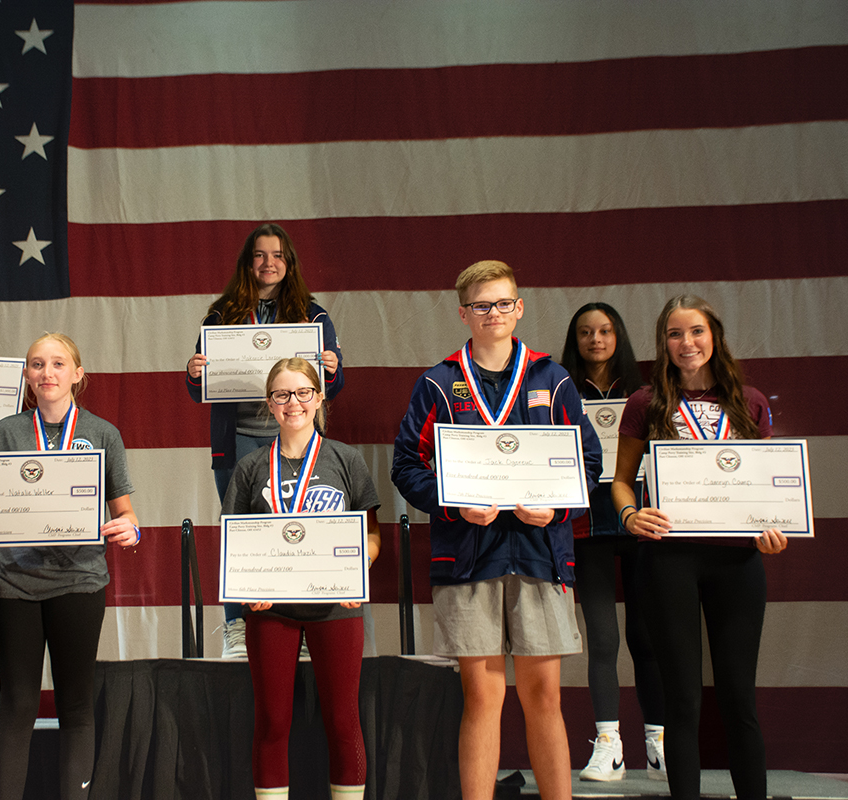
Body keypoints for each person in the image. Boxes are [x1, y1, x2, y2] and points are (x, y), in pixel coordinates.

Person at [391, 261, 600, 800]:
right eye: (482, 306)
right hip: (467, 560)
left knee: (544, 699)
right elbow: (406, 468)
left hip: (539, 555)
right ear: (463, 313)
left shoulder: (552, 379)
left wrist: (557, 510)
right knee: (481, 701)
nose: (493, 314)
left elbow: (588, 461)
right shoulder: (438, 383)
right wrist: (455, 507)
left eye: (503, 303)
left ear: (520, 307)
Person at [0, 333, 140, 800]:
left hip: (80, 582)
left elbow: (125, 512)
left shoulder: (103, 433)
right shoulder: (6, 432)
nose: (47, 372)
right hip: (13, 584)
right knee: (16, 706)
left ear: (77, 373)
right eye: (37, 364)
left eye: (57, 363)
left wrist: (131, 529)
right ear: (27, 376)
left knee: (75, 707)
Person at [612, 295, 788, 800]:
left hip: (738, 560)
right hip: (669, 559)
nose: (686, 343)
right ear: (662, 343)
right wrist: (630, 513)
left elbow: (765, 487)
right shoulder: (646, 403)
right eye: (674, 334)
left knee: (738, 699)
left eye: (696, 332)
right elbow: (622, 482)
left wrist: (772, 527)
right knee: (682, 699)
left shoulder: (749, 401)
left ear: (715, 337)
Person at [222, 358, 381, 800]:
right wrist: (246, 589)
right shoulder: (251, 467)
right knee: (273, 719)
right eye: (282, 395)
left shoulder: (346, 459)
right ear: (269, 405)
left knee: (342, 718)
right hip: (272, 610)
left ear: (319, 397)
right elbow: (235, 543)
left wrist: (355, 575)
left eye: (302, 393)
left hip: (335, 605)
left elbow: (370, 537)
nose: (293, 403)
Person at [186, 223, 344, 658]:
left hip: (296, 442)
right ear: (247, 263)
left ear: (288, 263)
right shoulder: (221, 315)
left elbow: (335, 383)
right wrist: (195, 373)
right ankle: (238, 627)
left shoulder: (313, 315)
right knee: (240, 533)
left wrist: (331, 367)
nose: (268, 262)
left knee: (302, 529)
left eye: (277, 255)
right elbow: (199, 389)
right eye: (259, 255)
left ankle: (306, 628)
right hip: (236, 441)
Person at [559, 303, 665, 780]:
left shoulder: (646, 391)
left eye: (604, 331)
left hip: (642, 524)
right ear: (575, 339)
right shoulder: (558, 389)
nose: (595, 340)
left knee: (648, 638)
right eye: (585, 332)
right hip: (588, 527)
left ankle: (659, 743)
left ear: (618, 336)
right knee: (602, 638)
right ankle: (610, 745)